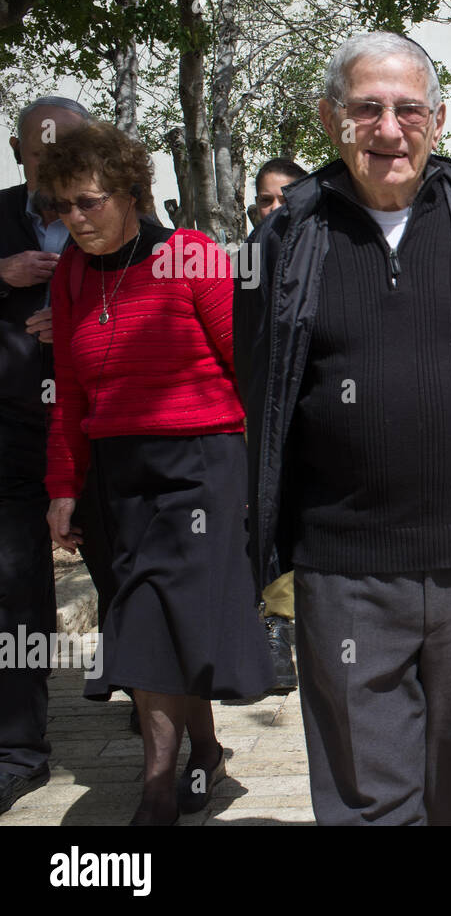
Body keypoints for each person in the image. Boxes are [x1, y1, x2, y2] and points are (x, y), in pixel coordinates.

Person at [234, 31, 451, 825]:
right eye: (366, 108)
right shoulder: (284, 240)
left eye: (409, 109)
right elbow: (263, 385)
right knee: (364, 796)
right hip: (345, 567)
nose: (388, 129)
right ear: (329, 118)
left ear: (437, 120)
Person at [40, 121, 273, 825]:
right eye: (62, 207)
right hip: (119, 470)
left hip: (201, 464)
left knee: (148, 617)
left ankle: (157, 788)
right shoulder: (74, 276)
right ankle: (206, 752)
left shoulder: (190, 255)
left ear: (131, 193)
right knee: (159, 622)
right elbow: (69, 392)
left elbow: (250, 365)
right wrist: (62, 488)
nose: (74, 220)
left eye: (89, 202)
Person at [0, 96, 90, 816]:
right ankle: (21, 749)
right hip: (13, 437)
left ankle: (156, 708)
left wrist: (78, 322)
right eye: (42, 153)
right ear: (17, 149)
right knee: (16, 591)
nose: (56, 168)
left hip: (106, 434)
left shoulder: (115, 220)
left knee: (132, 583)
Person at [246, 156, 309, 694]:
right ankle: (275, 630)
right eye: (264, 201)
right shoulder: (246, 261)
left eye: (284, 200)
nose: (273, 211)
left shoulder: (328, 255)